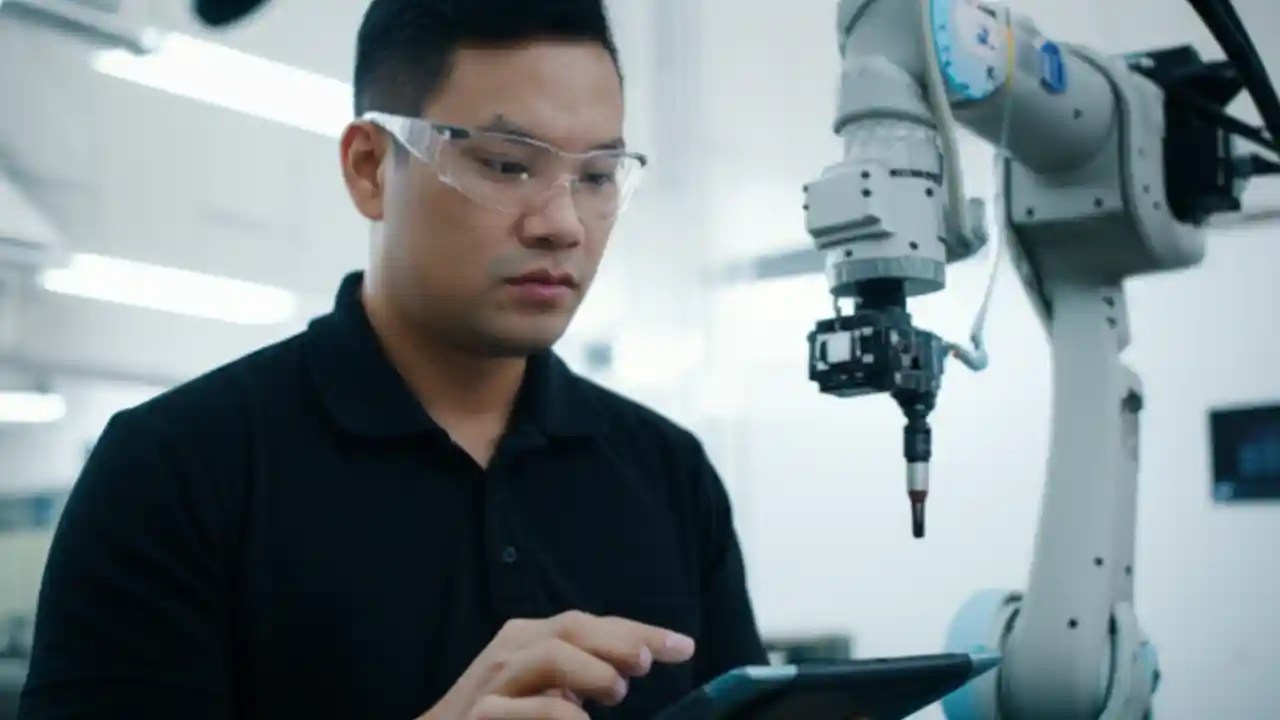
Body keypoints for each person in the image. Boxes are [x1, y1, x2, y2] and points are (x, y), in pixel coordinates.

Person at [18, 0, 768, 718]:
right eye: (508, 165)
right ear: (371, 168)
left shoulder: (670, 475)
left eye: (598, 176)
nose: (563, 222)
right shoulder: (175, 470)